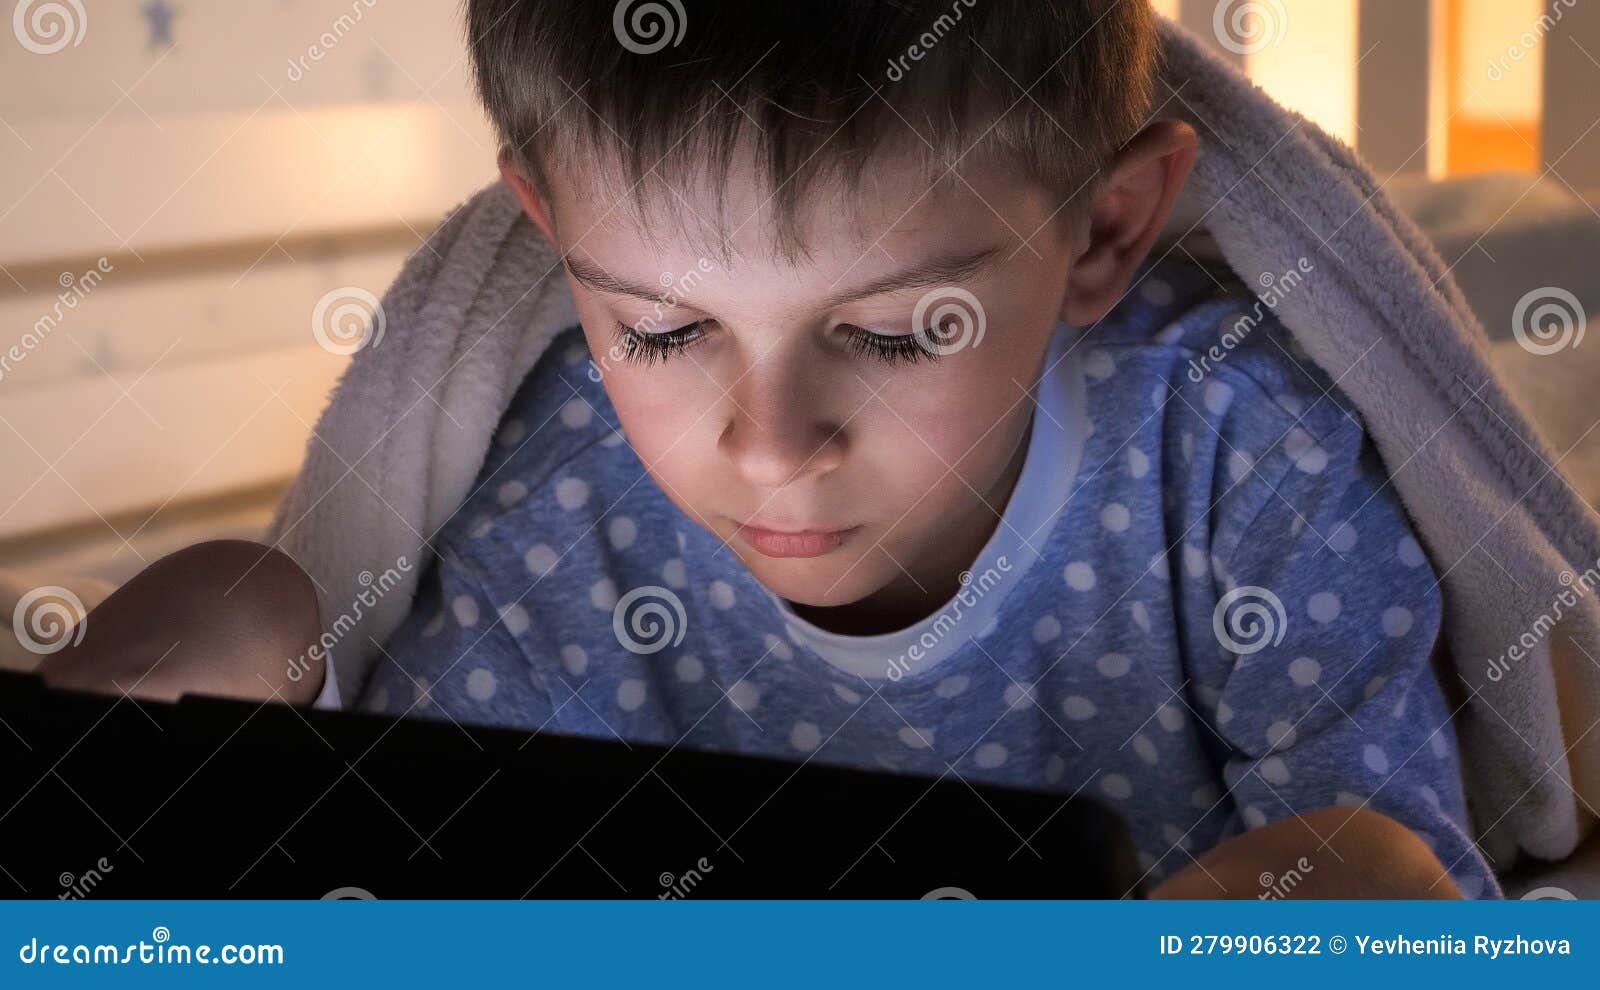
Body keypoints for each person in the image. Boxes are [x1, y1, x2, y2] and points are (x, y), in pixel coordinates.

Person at [40, 0, 1499, 898]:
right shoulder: (565, 502)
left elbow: (1401, 877)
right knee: (234, 618)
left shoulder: (1236, 452)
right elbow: (429, 844)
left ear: (1105, 229)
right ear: (555, 249)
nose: (770, 445)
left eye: (896, 328)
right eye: (666, 333)